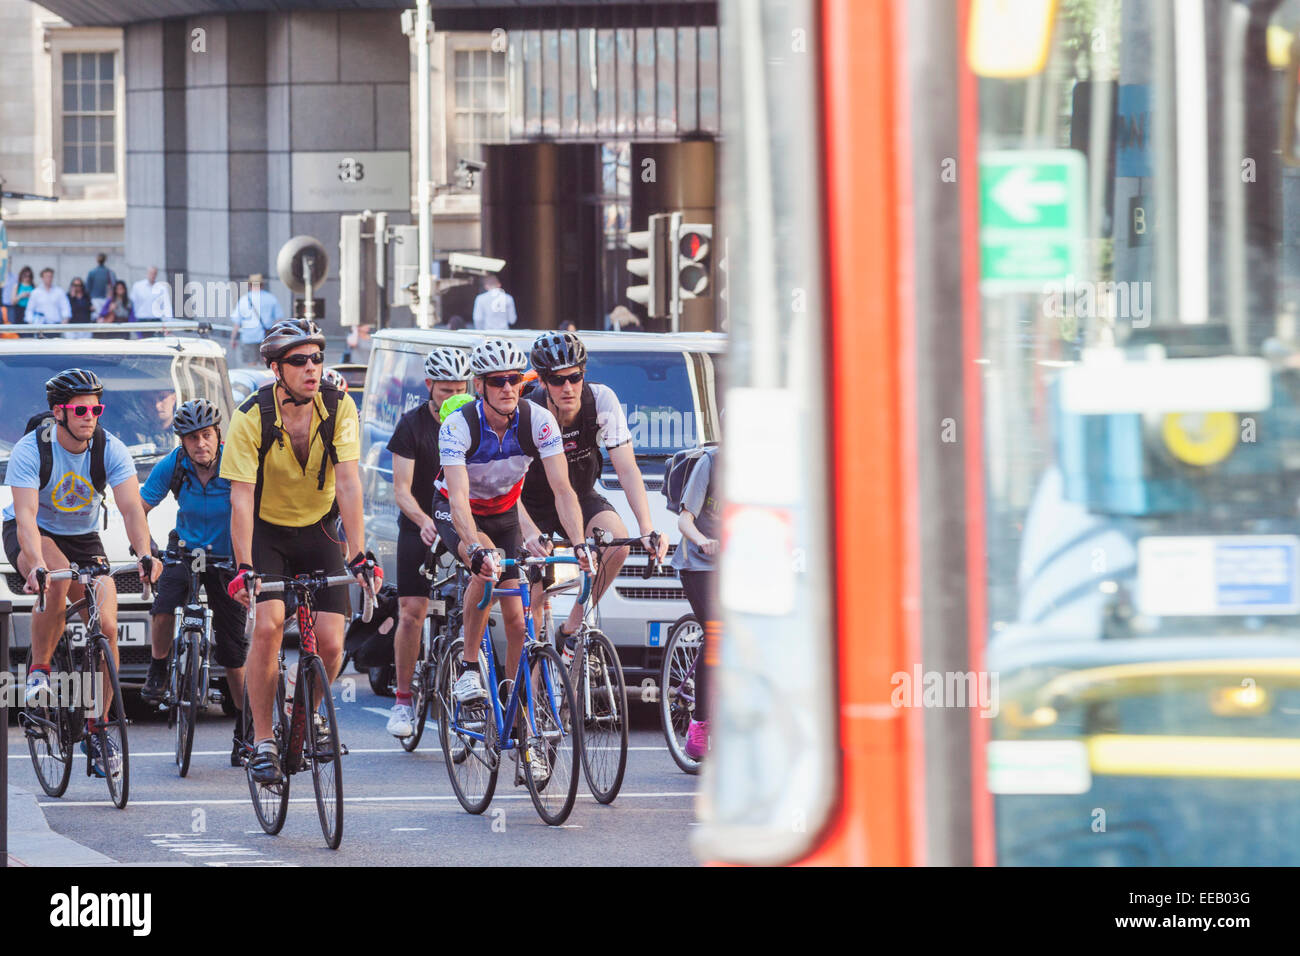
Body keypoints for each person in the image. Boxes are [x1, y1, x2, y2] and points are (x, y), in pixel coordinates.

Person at [435, 338, 594, 786]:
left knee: (522, 626)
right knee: (487, 568)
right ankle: (468, 667)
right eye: (497, 381)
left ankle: (522, 731)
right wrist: (476, 548)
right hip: (458, 510)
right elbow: (460, 500)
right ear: (480, 385)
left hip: (505, 512)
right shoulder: (460, 425)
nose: (508, 389)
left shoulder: (538, 421)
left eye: (515, 380)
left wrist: (579, 543)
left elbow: (564, 490)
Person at [222, 319, 373, 786]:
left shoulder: (339, 404)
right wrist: (245, 566)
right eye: (298, 361)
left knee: (330, 642)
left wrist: (361, 553)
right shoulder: (251, 416)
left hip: (318, 530)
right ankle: (263, 739)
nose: (311, 368)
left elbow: (348, 481)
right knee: (267, 625)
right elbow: (241, 498)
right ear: (275, 368)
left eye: (316, 358)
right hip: (267, 534)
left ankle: (306, 710)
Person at [2, 369, 159, 778]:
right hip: (35, 532)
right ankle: (39, 671)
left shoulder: (110, 447)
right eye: (81, 409)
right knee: (59, 579)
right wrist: (35, 563)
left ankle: (98, 724)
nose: (91, 416)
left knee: (106, 624)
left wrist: (144, 553)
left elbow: (130, 509)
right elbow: (26, 518)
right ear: (59, 413)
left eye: (97, 408)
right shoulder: (31, 450)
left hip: (84, 535)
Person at [518, 331, 668, 659]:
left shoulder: (601, 400)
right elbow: (506, 483)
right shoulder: (526, 412)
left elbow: (627, 469)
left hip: (579, 494)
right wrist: (528, 531)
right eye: (558, 380)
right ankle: (533, 687)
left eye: (575, 377)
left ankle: (571, 628)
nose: (568, 387)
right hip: (530, 503)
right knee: (536, 601)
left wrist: (646, 527)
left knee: (617, 542)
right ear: (543, 381)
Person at [138, 399, 249, 765]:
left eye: (206, 436)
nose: (200, 444)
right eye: (191, 438)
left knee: (234, 651)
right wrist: (146, 549)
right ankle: (158, 668)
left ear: (219, 435)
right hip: (184, 548)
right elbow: (138, 508)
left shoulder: (237, 463)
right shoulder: (173, 465)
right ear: (182, 442)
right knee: (163, 605)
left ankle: (246, 731)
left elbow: (258, 511)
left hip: (228, 556)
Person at [383, 347, 471, 738]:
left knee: (479, 599)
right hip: (419, 523)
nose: (452, 395)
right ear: (430, 386)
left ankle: (470, 682)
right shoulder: (411, 425)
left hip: (461, 521)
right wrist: (422, 520)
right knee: (411, 610)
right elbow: (401, 489)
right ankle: (403, 700)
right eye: (444, 389)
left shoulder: (475, 421)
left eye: (460, 388)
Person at [672, 443, 720, 761]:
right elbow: (684, 520)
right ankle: (700, 724)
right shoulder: (710, 464)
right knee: (717, 634)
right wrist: (703, 540)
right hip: (699, 563)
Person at [230, 273, 284, 367]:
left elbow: (237, 323)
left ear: (250, 285)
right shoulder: (271, 298)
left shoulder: (244, 299)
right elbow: (279, 320)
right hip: (266, 338)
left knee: (251, 366)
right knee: (266, 365)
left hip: (248, 338)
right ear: (262, 285)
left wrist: (233, 339)